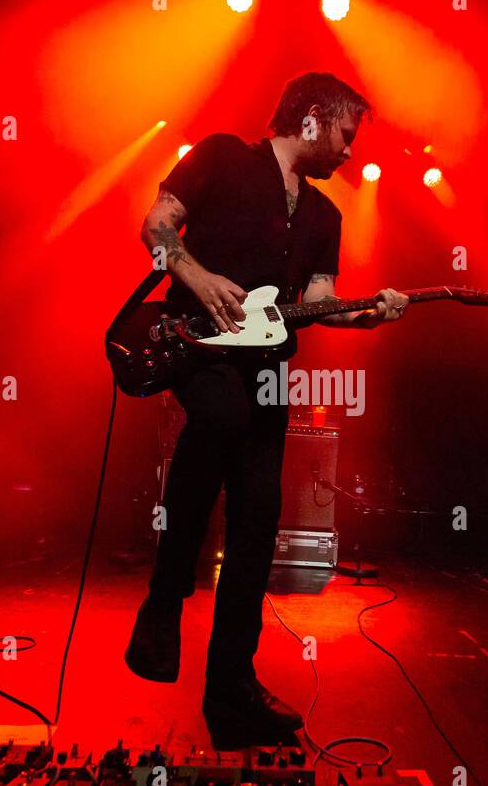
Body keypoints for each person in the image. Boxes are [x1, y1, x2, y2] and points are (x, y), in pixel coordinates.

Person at [123, 72, 409, 747]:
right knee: (217, 418)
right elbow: (155, 225)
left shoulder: (325, 216)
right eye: (346, 134)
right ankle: (165, 600)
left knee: (257, 520)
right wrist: (194, 275)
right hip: (200, 348)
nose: (349, 152)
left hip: (270, 377)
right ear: (312, 118)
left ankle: (231, 690)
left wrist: (370, 314)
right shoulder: (222, 157)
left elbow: (319, 300)